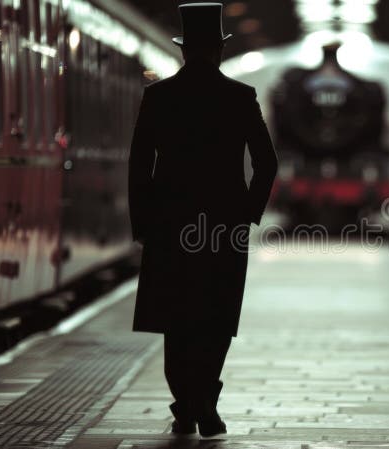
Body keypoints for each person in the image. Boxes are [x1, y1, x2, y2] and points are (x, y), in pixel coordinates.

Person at [127, 2, 278, 437]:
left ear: (183, 51)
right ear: (220, 51)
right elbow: (266, 162)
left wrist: (143, 223)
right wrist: (248, 212)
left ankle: (185, 408)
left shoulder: (158, 97)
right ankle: (206, 405)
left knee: (175, 319)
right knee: (216, 314)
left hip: (170, 225)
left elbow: (139, 165)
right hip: (223, 226)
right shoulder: (240, 97)